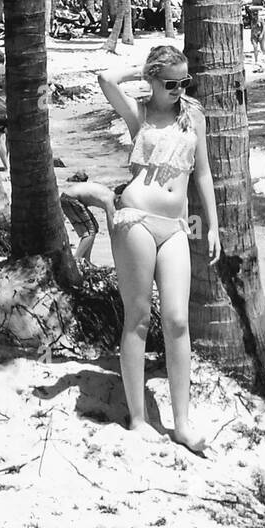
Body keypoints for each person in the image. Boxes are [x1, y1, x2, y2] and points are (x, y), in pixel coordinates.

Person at [98, 45, 220, 453]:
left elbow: (202, 174)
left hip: (175, 229)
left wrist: (214, 226)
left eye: (184, 82)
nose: (179, 89)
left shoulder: (193, 116)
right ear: (153, 81)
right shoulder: (140, 114)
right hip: (135, 220)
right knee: (137, 320)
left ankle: (181, 423)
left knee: (177, 321)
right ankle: (137, 418)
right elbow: (105, 80)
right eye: (170, 83)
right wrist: (143, 72)